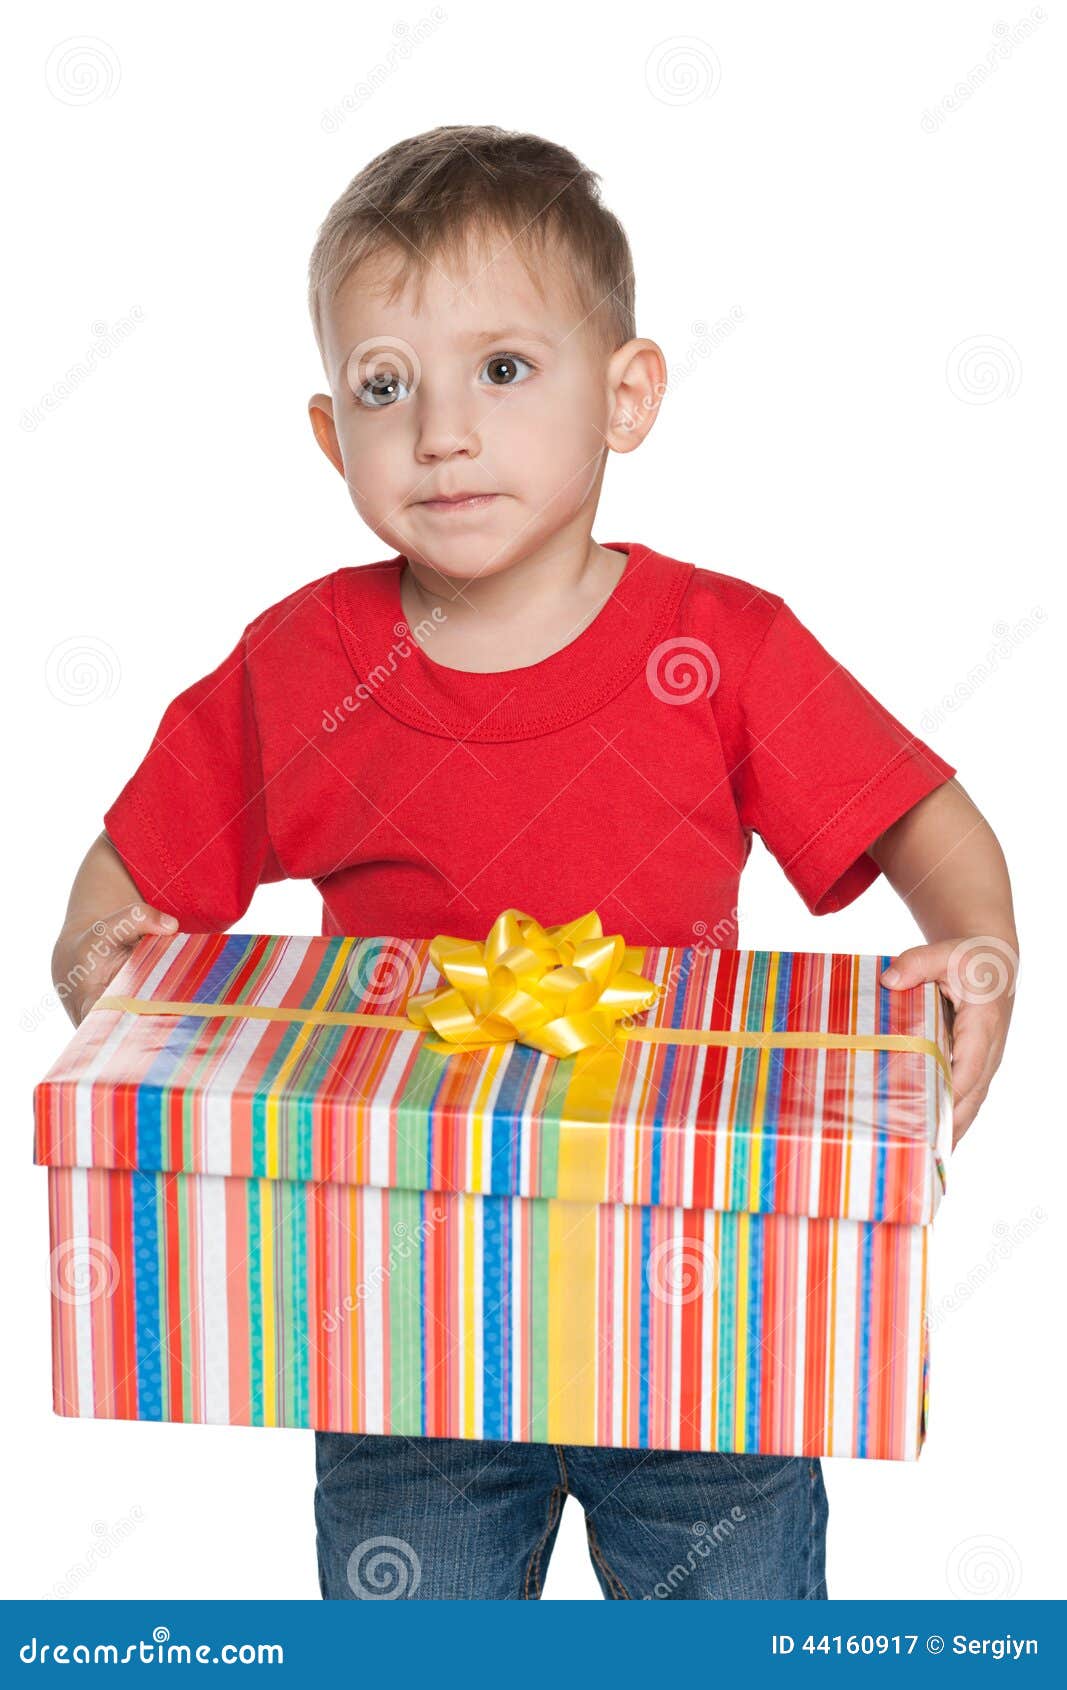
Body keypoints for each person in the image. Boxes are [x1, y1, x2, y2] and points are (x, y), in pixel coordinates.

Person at [51, 125, 1018, 1600]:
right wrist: (101, 963)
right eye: (387, 386)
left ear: (626, 396)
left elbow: (926, 823)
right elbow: (128, 881)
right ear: (331, 434)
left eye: (502, 369)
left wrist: (975, 951)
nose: (443, 432)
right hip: (402, 1314)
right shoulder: (304, 665)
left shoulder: (724, 647)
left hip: (701, 1294)